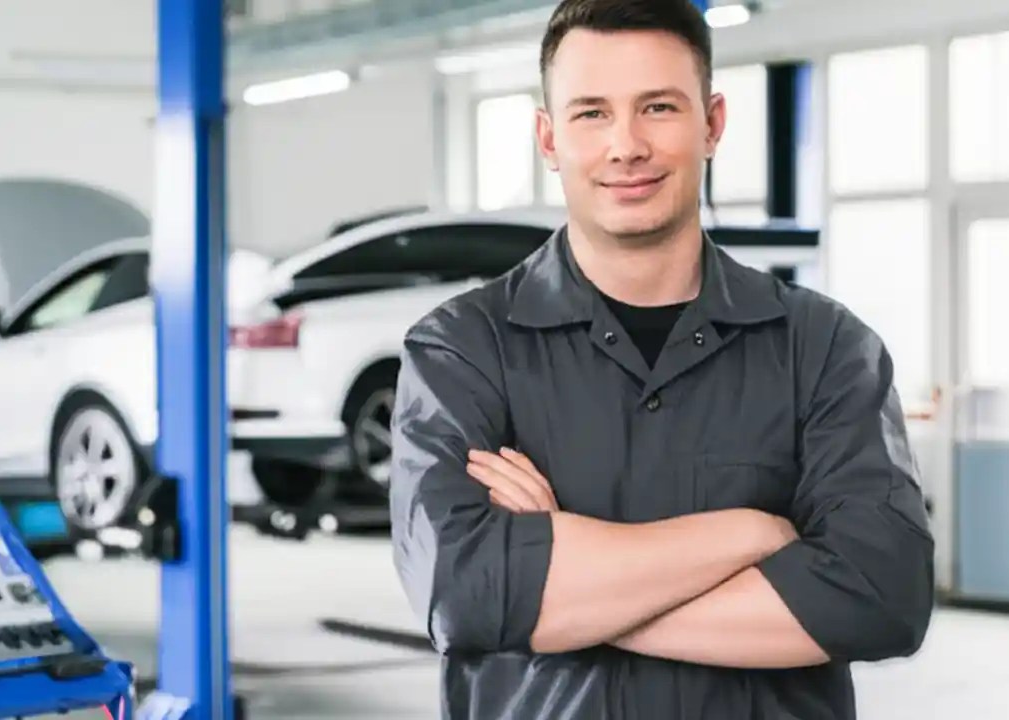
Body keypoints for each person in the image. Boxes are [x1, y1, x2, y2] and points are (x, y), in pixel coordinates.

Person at [387, 0, 936, 717]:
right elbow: (463, 596)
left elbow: (880, 599)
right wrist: (754, 533)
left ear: (712, 124)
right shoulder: (462, 350)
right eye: (591, 113)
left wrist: (568, 591)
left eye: (657, 107)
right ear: (548, 138)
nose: (626, 145)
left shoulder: (825, 349)